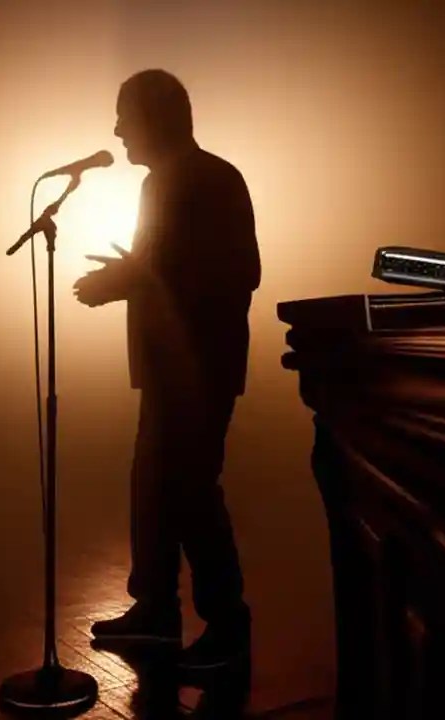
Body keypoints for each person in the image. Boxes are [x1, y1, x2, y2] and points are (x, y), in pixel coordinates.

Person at [73, 69, 261, 671]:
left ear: (157, 117)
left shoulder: (207, 179)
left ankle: (227, 627)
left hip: (198, 371)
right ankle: (155, 610)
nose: (118, 129)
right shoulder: (172, 182)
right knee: (156, 488)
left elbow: (237, 272)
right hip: (173, 370)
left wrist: (125, 281)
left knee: (188, 493)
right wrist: (134, 278)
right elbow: (170, 268)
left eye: (126, 114)